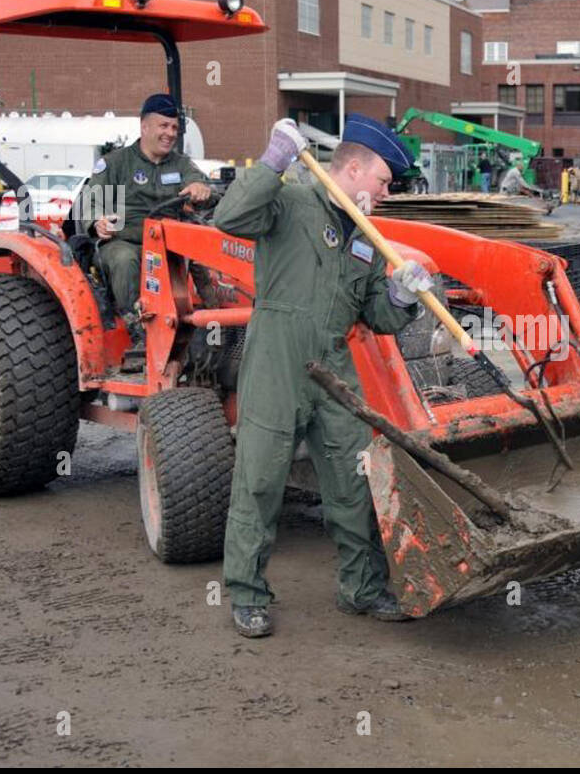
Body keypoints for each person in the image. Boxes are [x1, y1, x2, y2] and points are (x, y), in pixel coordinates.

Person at [212, 114, 433, 638]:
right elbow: (229, 216)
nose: (383, 194)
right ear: (353, 169)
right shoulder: (289, 203)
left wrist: (400, 296)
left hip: (333, 367)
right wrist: (271, 162)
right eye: (382, 182)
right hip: (276, 360)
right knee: (260, 480)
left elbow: (373, 314)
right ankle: (247, 594)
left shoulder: (364, 235)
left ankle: (361, 589)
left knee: (353, 480)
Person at [73, 93, 212, 345]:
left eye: (174, 128)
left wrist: (200, 188)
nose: (170, 133)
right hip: (125, 241)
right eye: (163, 125)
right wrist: (97, 222)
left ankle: (215, 323)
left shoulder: (180, 165)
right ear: (144, 126)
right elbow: (92, 202)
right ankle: (137, 328)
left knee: (208, 259)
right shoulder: (116, 163)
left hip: (171, 243)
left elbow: (202, 185)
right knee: (125, 260)